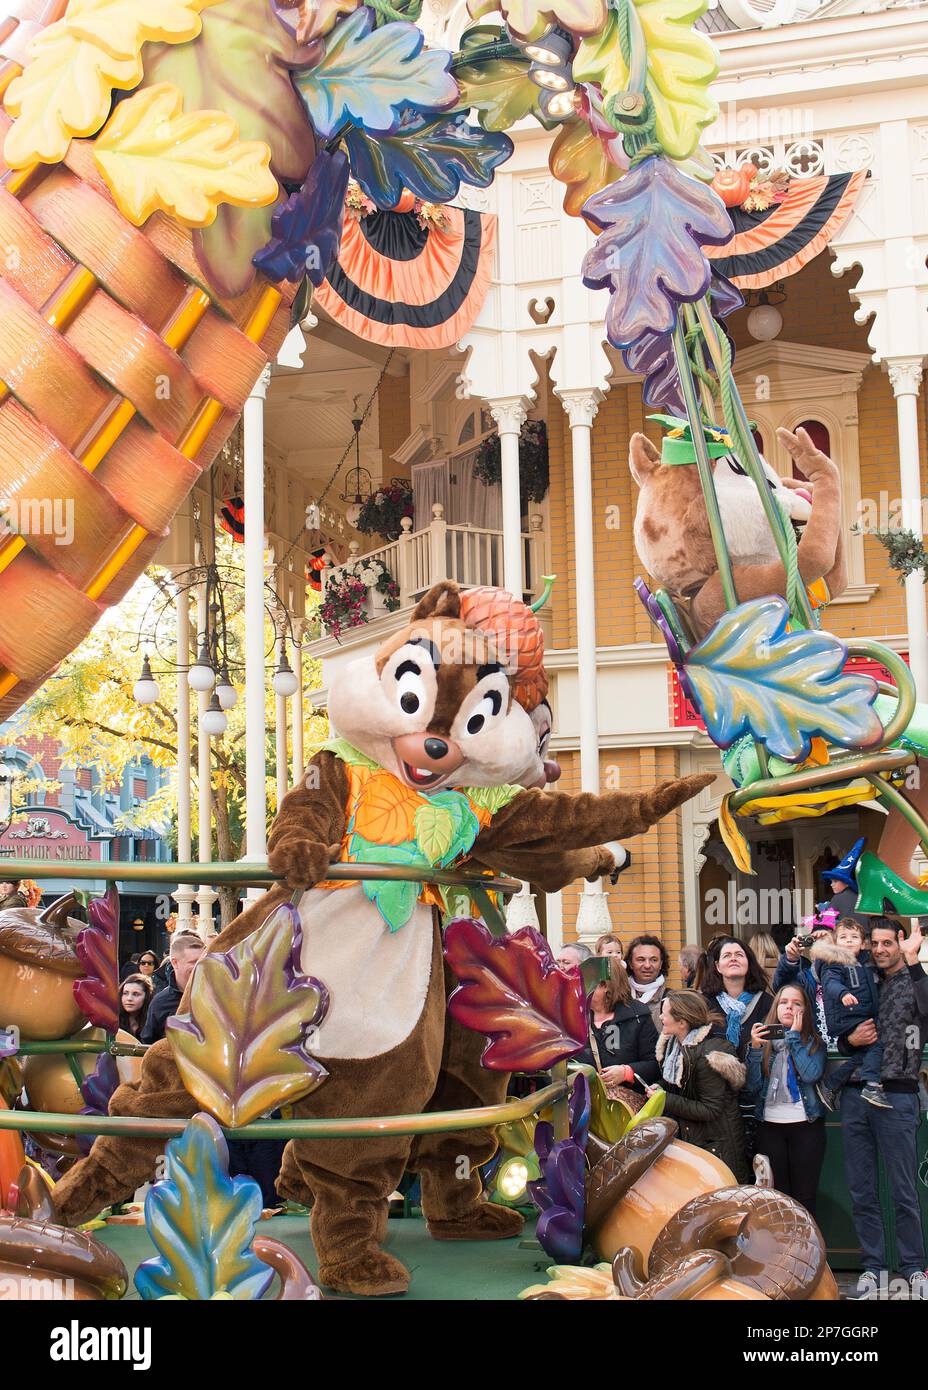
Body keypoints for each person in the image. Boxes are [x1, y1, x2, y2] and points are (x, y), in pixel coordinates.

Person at [837, 920, 928, 1295]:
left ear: (900, 943)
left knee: (904, 1191)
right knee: (862, 1191)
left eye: (887, 943)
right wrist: (850, 1039)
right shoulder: (862, 979)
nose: (879, 949)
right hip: (856, 1094)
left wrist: (914, 962)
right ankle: (873, 1267)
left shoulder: (914, 979)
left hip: (898, 1094)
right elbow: (841, 1034)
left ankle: (914, 1267)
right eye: (874, 943)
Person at [649, 991, 749, 1181]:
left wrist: (664, 1099)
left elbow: (710, 1109)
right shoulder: (673, 1047)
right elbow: (678, 1085)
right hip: (695, 1143)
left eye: (665, 1013)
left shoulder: (709, 1057)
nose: (660, 1017)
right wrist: (659, 1087)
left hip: (717, 1149)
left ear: (682, 1022)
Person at [747, 984, 827, 1218]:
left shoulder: (813, 1042)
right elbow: (752, 1086)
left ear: (805, 1010)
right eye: (784, 1002)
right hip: (769, 1126)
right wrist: (755, 1049)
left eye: (796, 1003)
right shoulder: (764, 1043)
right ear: (776, 1008)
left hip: (806, 1126)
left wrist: (793, 1038)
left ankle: (807, 1242)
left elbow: (810, 1074)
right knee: (777, 1197)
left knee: (805, 1197)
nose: (789, 1007)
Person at [813, 919, 886, 1110]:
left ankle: (832, 1084)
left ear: (862, 943)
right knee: (876, 1045)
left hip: (860, 1014)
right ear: (835, 943)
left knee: (867, 1051)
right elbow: (830, 982)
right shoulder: (834, 961)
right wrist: (843, 993)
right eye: (843, 937)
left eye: (854, 937)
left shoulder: (865, 963)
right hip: (846, 1016)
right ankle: (872, 1085)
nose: (849, 941)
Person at [577, 961, 659, 1097]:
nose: (578, 988)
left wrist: (626, 1072)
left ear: (605, 986)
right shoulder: (574, 1017)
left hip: (626, 1103)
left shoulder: (637, 1016)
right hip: (586, 1103)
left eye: (584, 983)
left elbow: (655, 1065)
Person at [699, 936, 772, 1064]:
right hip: (715, 1075)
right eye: (727, 955)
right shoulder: (704, 1003)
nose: (733, 958)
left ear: (748, 962)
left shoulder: (766, 1003)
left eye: (739, 955)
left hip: (756, 1073)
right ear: (717, 966)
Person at [141, 932, 205, 1044]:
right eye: (193, 962)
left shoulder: (217, 995)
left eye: (203, 961)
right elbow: (149, 1044)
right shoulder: (160, 1002)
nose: (200, 966)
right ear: (175, 963)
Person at [820, 837, 869, 929]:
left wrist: (823, 909)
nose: (831, 884)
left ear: (847, 883)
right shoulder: (860, 895)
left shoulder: (838, 898)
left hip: (848, 935)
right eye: (831, 881)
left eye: (835, 881)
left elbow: (826, 922)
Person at [625, 934, 669, 1028]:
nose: (647, 965)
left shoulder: (670, 1000)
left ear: (661, 964)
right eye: (641, 960)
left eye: (654, 960)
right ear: (630, 963)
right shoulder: (620, 997)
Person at [119, 973, 154, 1040]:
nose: (129, 998)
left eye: (136, 994)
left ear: (147, 997)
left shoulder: (153, 1021)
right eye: (125, 993)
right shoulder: (114, 1019)